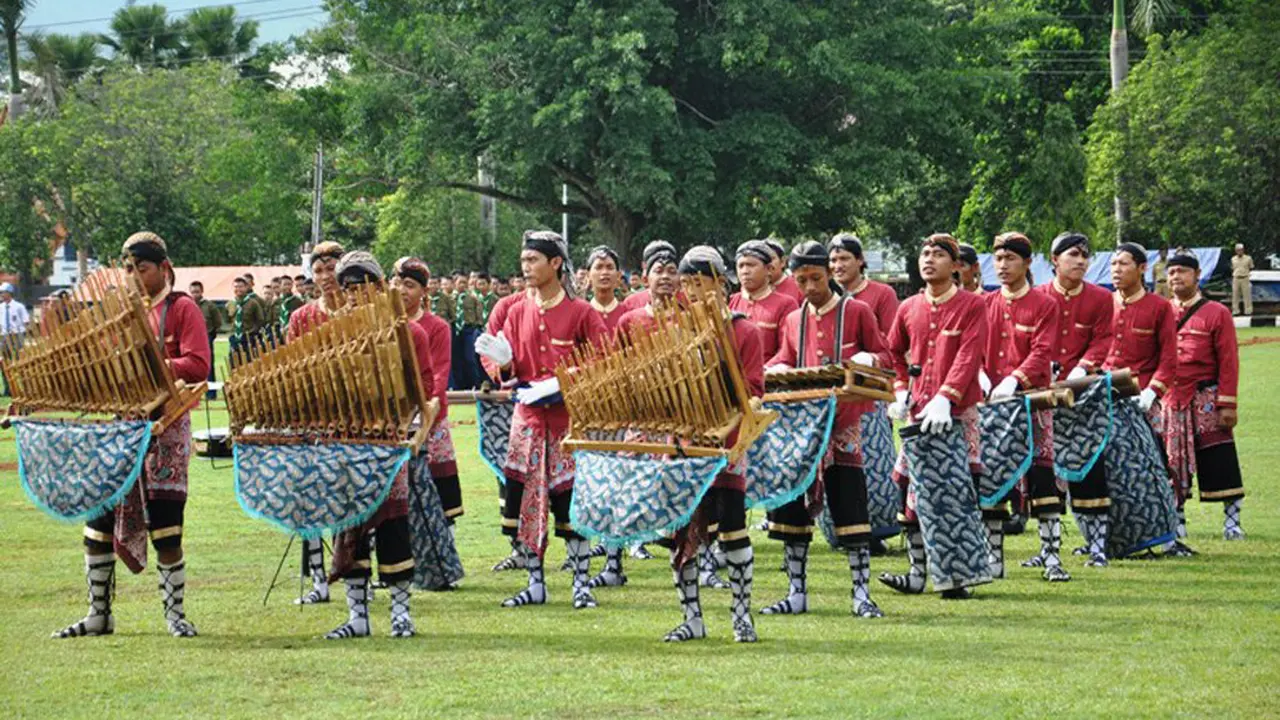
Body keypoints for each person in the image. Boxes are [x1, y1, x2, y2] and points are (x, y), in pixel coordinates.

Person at [54, 232, 212, 639]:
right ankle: (98, 614)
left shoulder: (182, 308)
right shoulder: (119, 313)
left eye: (141, 268)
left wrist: (156, 363)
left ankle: (175, 616)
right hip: (121, 428)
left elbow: (198, 364)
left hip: (165, 429)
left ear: (163, 268)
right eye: (128, 269)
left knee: (166, 527)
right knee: (98, 522)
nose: (135, 276)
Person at [473, 230, 610, 610]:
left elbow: (603, 359)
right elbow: (502, 363)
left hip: (568, 421)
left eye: (533, 260)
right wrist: (502, 364)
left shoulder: (581, 313)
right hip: (529, 422)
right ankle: (535, 581)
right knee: (526, 503)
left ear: (555, 263)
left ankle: (581, 583)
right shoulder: (515, 311)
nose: (526, 267)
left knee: (573, 504)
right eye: (523, 261)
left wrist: (563, 380)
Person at [633, 245, 763, 643]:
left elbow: (756, 391)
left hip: (727, 446)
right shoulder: (675, 330)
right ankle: (692, 618)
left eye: (698, 283)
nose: (689, 292)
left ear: (719, 285)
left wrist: (731, 422)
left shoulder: (743, 330)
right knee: (682, 532)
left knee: (734, 530)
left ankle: (742, 616)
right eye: (686, 284)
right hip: (684, 444)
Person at [761, 241, 889, 618]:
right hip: (801, 428)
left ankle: (861, 593)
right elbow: (785, 356)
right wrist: (777, 367)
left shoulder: (858, 311)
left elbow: (885, 356)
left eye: (816, 278)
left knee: (851, 504)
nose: (809, 287)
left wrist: (869, 358)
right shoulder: (792, 318)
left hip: (844, 422)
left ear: (829, 274)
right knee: (792, 506)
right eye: (801, 280)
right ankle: (796, 592)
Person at [321, 251, 435, 639]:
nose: (353, 295)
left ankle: (401, 614)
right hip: (344, 441)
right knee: (349, 528)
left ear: (377, 286)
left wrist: (410, 429)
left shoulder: (410, 332)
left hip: (388, 442)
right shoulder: (331, 332)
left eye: (361, 286)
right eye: (346, 288)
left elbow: (427, 390)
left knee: (393, 526)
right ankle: (358, 618)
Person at [879, 233, 991, 599]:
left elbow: (969, 355)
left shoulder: (972, 306)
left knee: (957, 493)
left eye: (939, 255)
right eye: (925, 253)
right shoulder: (908, 306)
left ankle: (957, 577)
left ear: (956, 266)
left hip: (956, 414)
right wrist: (899, 389)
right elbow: (894, 352)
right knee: (911, 493)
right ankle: (917, 573)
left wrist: (947, 395)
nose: (929, 260)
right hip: (916, 413)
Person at [982, 232, 1069, 582]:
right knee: (992, 480)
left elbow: (1042, 351)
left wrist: (1014, 379)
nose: (1002, 266)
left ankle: (1051, 557)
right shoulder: (984, 303)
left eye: (1010, 260)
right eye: (998, 259)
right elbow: (973, 347)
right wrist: (981, 376)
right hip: (993, 407)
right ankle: (992, 559)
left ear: (1027, 263)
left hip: (1032, 404)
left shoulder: (1044, 304)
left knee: (1042, 479)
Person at [1034, 232, 1115, 569]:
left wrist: (1082, 367)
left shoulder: (1100, 298)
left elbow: (1104, 340)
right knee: (1042, 470)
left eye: (1085, 255)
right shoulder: (1038, 297)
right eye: (1073, 254)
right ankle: (1047, 548)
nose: (1081, 261)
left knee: (1089, 466)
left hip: (1082, 395)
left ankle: (1097, 545)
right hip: (1041, 393)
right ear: (1054, 260)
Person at [1104, 242, 1180, 557]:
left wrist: (1153, 392)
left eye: (1123, 264)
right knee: (1110, 472)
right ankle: (1112, 538)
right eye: (1112, 264)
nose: (1116, 270)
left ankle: (1163, 535)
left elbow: (1169, 359)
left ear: (1142, 268)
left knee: (1152, 468)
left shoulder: (1159, 307)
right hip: (1105, 401)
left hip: (1143, 399)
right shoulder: (1102, 304)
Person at [1163, 254, 1246, 541]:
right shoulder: (1162, 312)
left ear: (1198, 274)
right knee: (1172, 461)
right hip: (1171, 397)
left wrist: (1227, 404)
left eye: (1182, 271)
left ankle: (1232, 521)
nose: (1176, 277)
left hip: (1206, 396)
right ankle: (1177, 519)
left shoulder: (1216, 313)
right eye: (1171, 272)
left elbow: (1228, 361)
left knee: (1219, 456)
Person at [287, 241, 348, 605]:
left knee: (353, 500)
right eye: (320, 270)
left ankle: (357, 577)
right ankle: (317, 582)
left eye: (332, 269)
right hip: (313, 417)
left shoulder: (365, 312)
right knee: (310, 501)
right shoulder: (302, 318)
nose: (326, 277)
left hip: (354, 419)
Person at [395, 257, 465, 534]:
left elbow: (438, 373)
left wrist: (425, 411)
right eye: (397, 283)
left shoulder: (437, 327)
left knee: (437, 493)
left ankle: (442, 550)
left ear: (424, 291)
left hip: (430, 417)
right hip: (394, 419)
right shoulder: (384, 325)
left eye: (409, 285)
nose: (401, 290)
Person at [730, 240, 799, 360]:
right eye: (741, 266)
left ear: (768, 269)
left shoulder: (786, 304)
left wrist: (763, 371)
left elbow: (786, 351)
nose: (745, 271)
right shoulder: (731, 302)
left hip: (770, 376)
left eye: (751, 265)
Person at [828, 233, 899, 337]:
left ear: (860, 260)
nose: (838, 266)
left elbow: (892, 341)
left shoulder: (883, 294)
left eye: (844, 259)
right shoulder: (827, 296)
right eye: (833, 260)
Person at [189, 281, 222, 398]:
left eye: (197, 292)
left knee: (208, 366)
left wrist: (212, 334)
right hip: (191, 340)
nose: (195, 294)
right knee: (192, 366)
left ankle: (211, 393)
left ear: (202, 292)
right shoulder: (188, 306)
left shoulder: (209, 306)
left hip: (206, 337)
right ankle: (194, 394)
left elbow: (218, 322)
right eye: (192, 292)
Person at [585, 245, 627, 332]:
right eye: (599, 267)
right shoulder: (581, 315)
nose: (604, 272)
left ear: (618, 275)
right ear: (588, 275)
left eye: (610, 267)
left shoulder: (628, 313)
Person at [455, 271, 485, 390]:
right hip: (456, 330)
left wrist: (478, 325)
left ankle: (476, 383)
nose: (462, 285)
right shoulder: (450, 298)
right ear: (454, 283)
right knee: (457, 359)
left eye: (464, 282)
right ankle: (460, 385)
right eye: (459, 282)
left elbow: (479, 313)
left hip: (469, 329)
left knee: (470, 358)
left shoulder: (472, 297)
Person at [0, 281, 30, 395]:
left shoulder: (19, 307)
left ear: (10, 293)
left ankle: (23, 388)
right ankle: (8, 388)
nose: (1, 295)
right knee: (5, 363)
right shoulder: (0, 308)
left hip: (17, 335)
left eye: (3, 292)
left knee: (19, 362)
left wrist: (22, 335)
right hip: (4, 336)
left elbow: (26, 322)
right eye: (1, 292)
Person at [228, 276, 267, 356]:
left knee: (250, 361)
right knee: (234, 361)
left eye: (241, 287)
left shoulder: (253, 303)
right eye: (236, 287)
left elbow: (260, 319)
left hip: (249, 337)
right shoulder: (230, 304)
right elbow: (227, 319)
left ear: (246, 287)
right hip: (234, 336)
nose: (238, 289)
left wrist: (253, 332)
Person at [763, 239, 803, 304]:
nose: (767, 264)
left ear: (782, 262)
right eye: (762, 259)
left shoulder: (798, 285)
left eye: (771, 259)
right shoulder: (752, 289)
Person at [1230, 244, 1253, 316]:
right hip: (1236, 278)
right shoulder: (1233, 259)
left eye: (1241, 250)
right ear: (1236, 251)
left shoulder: (1248, 258)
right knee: (1235, 295)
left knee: (1247, 295)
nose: (1239, 251)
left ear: (1243, 250)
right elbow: (1232, 268)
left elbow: (1251, 267)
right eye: (1238, 250)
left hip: (1245, 277)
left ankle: (1248, 311)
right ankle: (1235, 311)